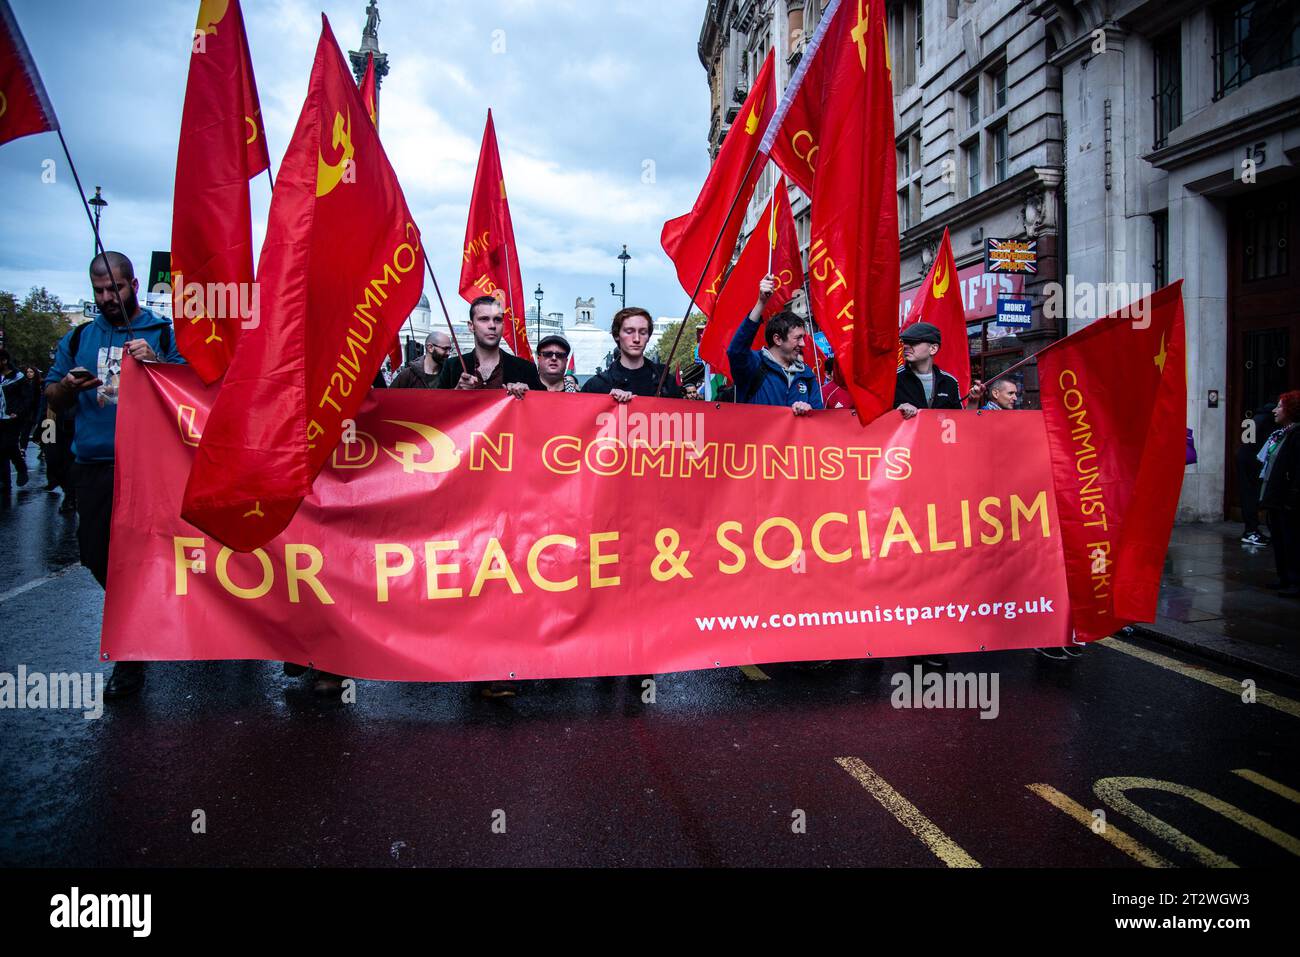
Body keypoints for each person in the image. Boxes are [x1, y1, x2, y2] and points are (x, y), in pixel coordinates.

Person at [43, 252, 185, 698]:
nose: (107, 298)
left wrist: (159, 363)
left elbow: (197, 387)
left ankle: (132, 655)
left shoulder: (163, 332)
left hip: (152, 467)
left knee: (156, 559)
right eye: (99, 290)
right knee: (97, 556)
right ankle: (140, 626)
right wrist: (65, 387)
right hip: (96, 467)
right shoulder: (79, 336)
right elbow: (51, 394)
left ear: (134, 285)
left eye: (115, 289)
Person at [727, 274, 823, 415]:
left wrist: (809, 411)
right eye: (798, 338)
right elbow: (735, 351)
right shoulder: (754, 365)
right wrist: (761, 302)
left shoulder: (807, 375)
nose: (803, 344)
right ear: (778, 339)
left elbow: (819, 419)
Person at [437, 296, 542, 396]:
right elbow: (436, 410)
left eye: (497, 320)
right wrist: (456, 392)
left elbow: (541, 409)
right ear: (471, 326)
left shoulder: (527, 369)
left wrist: (528, 395)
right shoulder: (451, 366)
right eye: (484, 319)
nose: (492, 325)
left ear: (503, 325)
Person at [581, 306, 683, 401]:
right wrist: (607, 402)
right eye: (629, 332)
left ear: (648, 336)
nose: (637, 339)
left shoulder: (666, 383)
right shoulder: (597, 386)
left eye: (643, 333)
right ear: (617, 335)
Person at [895, 321, 983, 417]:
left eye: (913, 342)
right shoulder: (893, 379)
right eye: (905, 342)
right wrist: (897, 409)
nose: (906, 347)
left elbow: (960, 421)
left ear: (933, 349)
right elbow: (878, 415)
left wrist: (973, 401)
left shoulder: (949, 382)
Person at [1259, 390, 1300, 597]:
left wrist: (1292, 497)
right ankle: (1284, 576)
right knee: (1280, 538)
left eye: (1280, 406)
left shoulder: (1297, 434)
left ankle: (1294, 580)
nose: (1275, 411)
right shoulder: (1284, 432)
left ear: (1291, 410)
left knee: (1291, 539)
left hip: (1288, 499)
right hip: (1277, 498)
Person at [1238, 398, 1277, 546]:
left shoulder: (1255, 417)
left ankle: (1251, 530)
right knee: (1252, 495)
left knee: (1248, 494)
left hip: (1245, 456)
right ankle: (1251, 531)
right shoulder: (1268, 420)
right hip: (1253, 460)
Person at [0, 350, 30, 492]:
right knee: (2, 449)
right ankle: (5, 482)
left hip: (12, 418)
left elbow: (26, 399)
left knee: (8, 445)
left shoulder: (18, 377)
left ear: (4, 361)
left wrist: (17, 412)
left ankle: (21, 467)